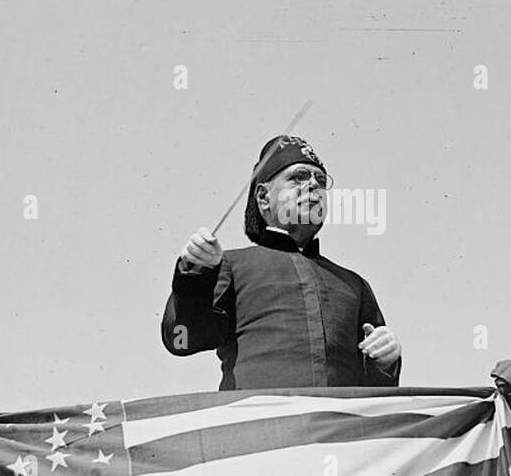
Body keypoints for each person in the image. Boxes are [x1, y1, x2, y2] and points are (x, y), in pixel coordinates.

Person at [161, 134, 402, 390]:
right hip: (261, 426)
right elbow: (181, 341)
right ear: (264, 197)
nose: (313, 185)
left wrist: (387, 362)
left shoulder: (353, 285)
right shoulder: (231, 265)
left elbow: (376, 396)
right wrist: (195, 276)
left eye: (320, 180)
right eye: (298, 177)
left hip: (337, 427)